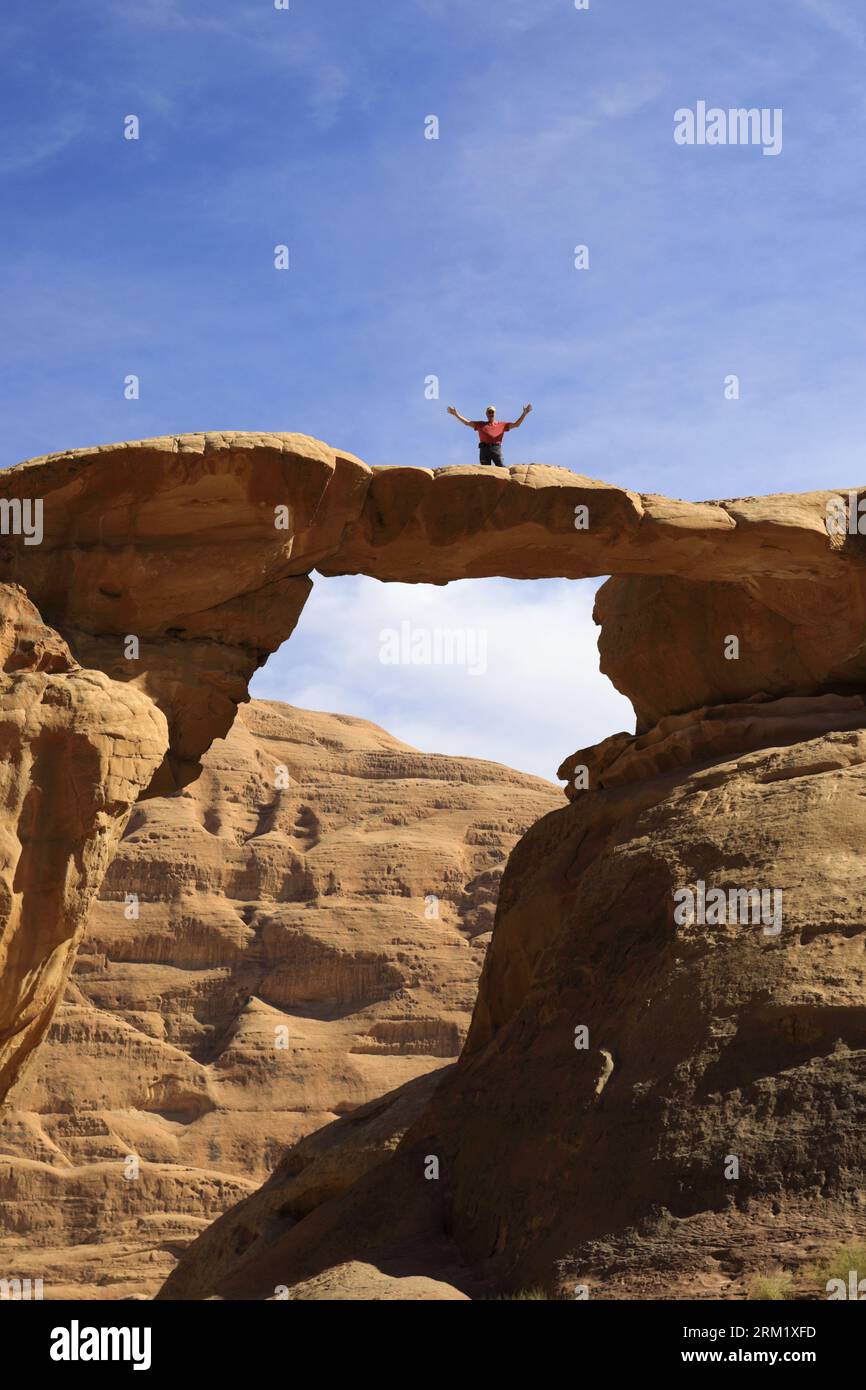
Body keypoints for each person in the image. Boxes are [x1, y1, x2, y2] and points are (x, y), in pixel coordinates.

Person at [447, 402, 532, 466]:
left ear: (495, 414)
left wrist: (524, 414)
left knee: (502, 470)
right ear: (486, 414)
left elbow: (516, 425)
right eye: (489, 412)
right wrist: (456, 414)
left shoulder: (502, 425)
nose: (491, 414)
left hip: (496, 449)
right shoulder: (481, 424)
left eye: (492, 412)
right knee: (485, 472)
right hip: (484, 449)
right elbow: (467, 423)